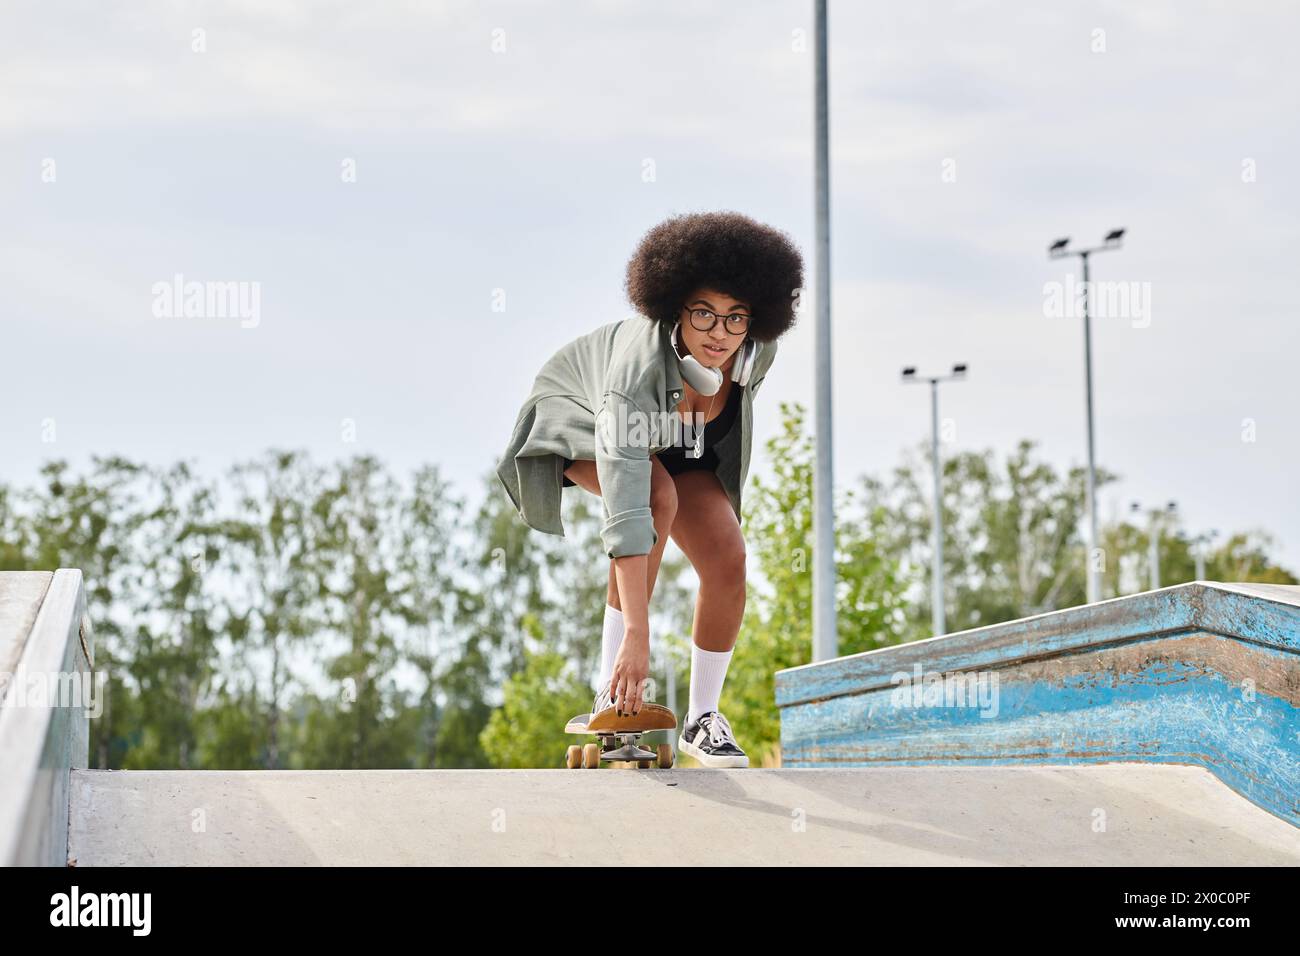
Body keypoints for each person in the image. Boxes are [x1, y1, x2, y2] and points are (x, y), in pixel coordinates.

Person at [496, 210, 803, 767]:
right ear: (675, 307)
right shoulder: (635, 376)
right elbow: (630, 510)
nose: (720, 334)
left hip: (675, 438)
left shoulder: (755, 353)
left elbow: (710, 428)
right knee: (658, 498)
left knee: (728, 556)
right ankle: (611, 689)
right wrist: (639, 635)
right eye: (705, 314)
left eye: (737, 319)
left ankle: (703, 718)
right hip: (585, 414)